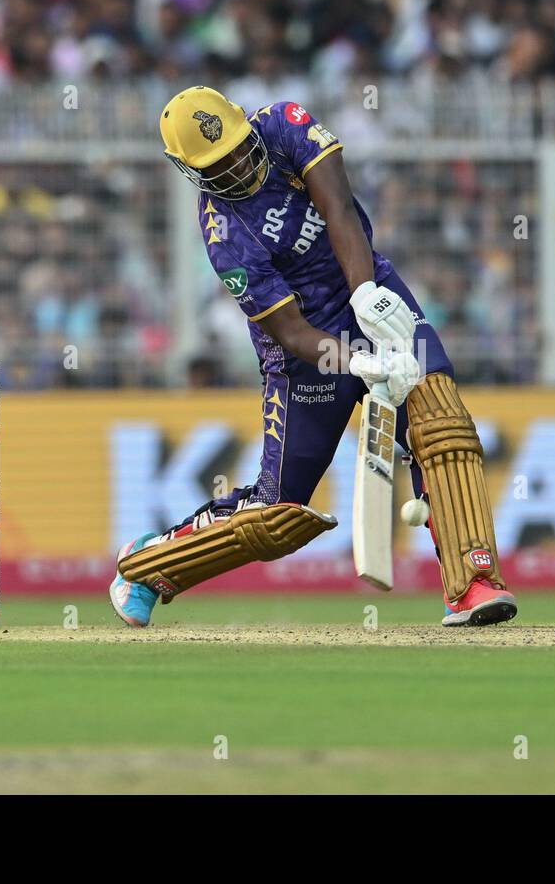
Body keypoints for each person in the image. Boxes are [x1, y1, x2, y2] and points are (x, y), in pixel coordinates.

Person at [109, 86, 516, 628]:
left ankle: (472, 582)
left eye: (235, 149)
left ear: (243, 123)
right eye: (217, 164)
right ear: (188, 169)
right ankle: (148, 565)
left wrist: (368, 299)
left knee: (439, 420)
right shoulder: (225, 234)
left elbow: (339, 208)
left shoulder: (285, 124)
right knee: (278, 512)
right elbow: (290, 330)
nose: (234, 167)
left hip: (369, 288)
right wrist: (360, 362)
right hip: (307, 355)